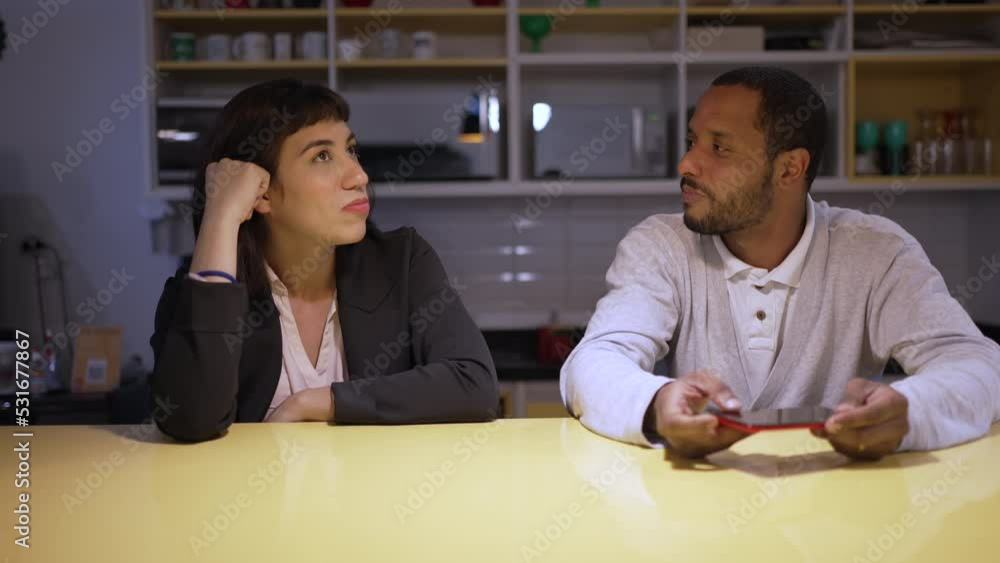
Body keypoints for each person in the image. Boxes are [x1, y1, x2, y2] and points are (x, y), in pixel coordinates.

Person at [560, 66, 1000, 460]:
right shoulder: (660, 245)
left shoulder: (877, 253)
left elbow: (979, 365)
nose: (687, 163)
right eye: (693, 141)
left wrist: (912, 412)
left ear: (790, 169)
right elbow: (595, 361)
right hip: (697, 529)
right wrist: (657, 405)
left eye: (719, 147)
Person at [150, 79, 498, 442]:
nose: (359, 176)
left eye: (351, 150)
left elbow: (474, 383)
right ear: (260, 193)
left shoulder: (401, 261)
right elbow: (192, 419)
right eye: (322, 156)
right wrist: (220, 216)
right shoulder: (201, 297)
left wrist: (318, 402)